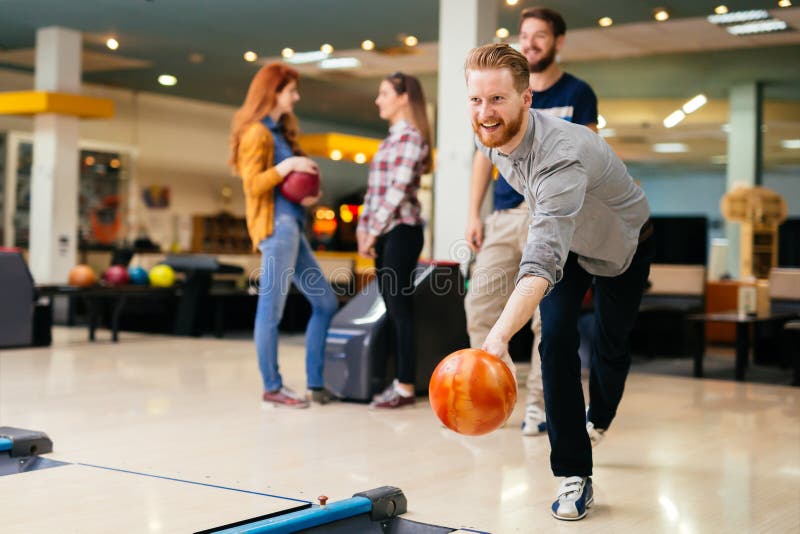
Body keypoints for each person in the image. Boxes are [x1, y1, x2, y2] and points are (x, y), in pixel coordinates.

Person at [465, 43, 654, 521]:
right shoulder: (493, 139)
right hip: (570, 239)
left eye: (498, 100)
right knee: (556, 341)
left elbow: (540, 261)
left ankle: (601, 417)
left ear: (527, 99)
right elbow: (550, 240)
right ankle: (575, 475)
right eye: (475, 100)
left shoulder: (561, 156)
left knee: (611, 344)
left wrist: (499, 335)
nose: (485, 113)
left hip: (623, 245)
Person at [464, 6, 598, 437]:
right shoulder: (491, 97)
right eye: (525, 34)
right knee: (479, 302)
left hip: (552, 214)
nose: (531, 42)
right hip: (504, 214)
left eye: (540, 35)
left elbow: (590, 154)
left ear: (558, 41)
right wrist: (473, 212)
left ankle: (539, 405)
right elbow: (483, 158)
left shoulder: (577, 92)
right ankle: (480, 393)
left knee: (547, 318)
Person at [230, 63, 339, 409]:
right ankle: (272, 387)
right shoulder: (256, 134)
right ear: (273, 92)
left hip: (292, 226)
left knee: (325, 302)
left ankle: (316, 384)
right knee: (271, 310)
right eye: (291, 90)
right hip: (276, 230)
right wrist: (288, 167)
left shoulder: (280, 131)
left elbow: (284, 188)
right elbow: (252, 184)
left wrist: (305, 194)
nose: (296, 96)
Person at [357, 72, 433, 409]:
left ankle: (404, 386)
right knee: (390, 307)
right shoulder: (388, 141)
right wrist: (364, 228)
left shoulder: (412, 138)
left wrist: (373, 230)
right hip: (384, 231)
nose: (378, 100)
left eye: (384, 93)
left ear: (403, 97)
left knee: (400, 309)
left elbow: (397, 191)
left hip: (402, 230)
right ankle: (390, 381)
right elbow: (373, 193)